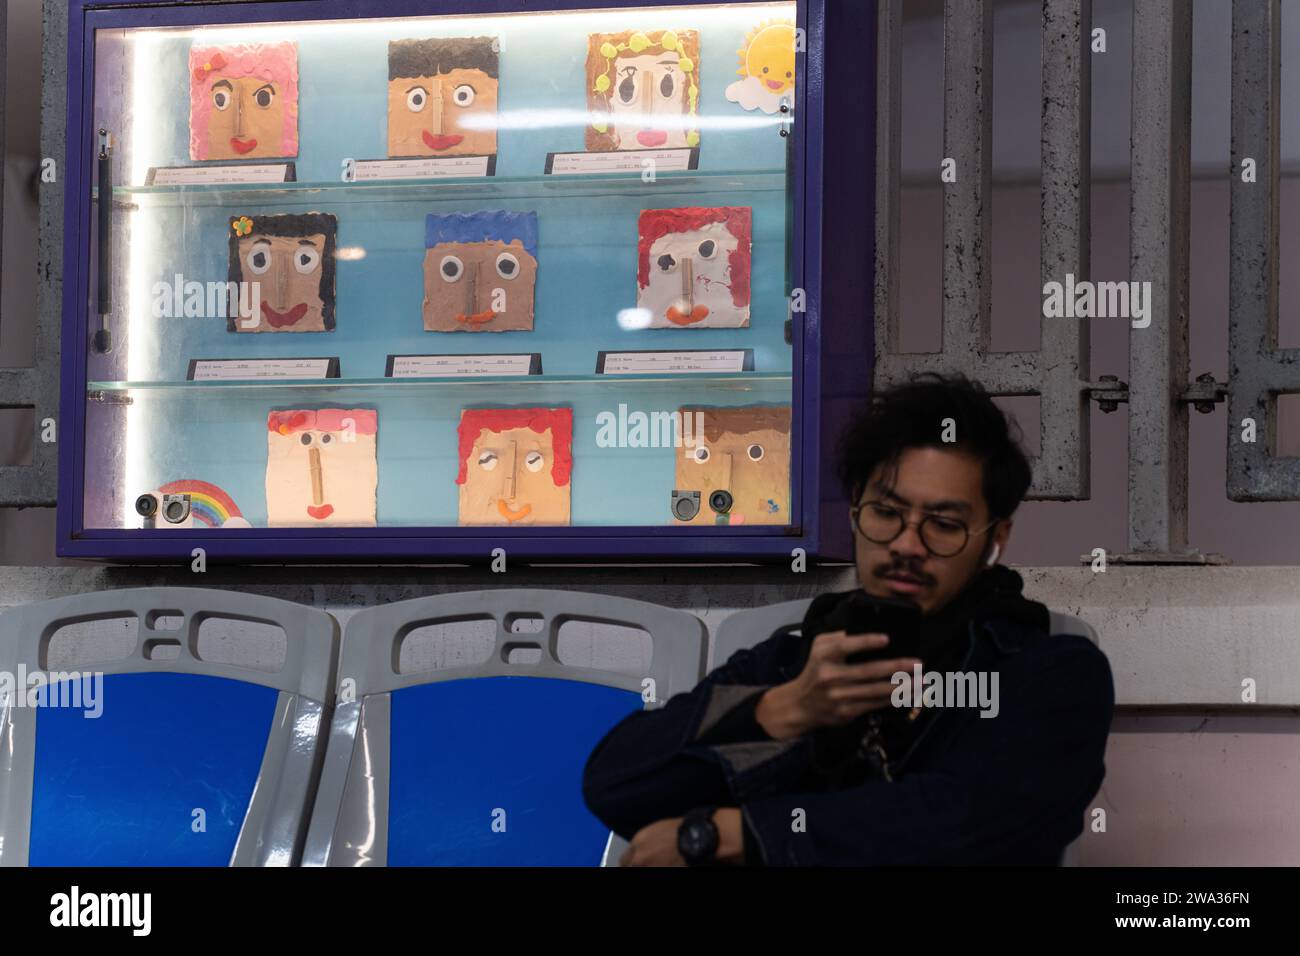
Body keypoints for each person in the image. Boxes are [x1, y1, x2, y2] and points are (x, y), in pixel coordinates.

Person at [582, 372, 1114, 865]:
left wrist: (732, 834)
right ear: (855, 512)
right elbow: (615, 783)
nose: (908, 545)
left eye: (944, 525)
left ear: (995, 539)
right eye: (886, 513)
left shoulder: (1048, 671)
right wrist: (783, 709)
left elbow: (966, 821)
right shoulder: (798, 661)